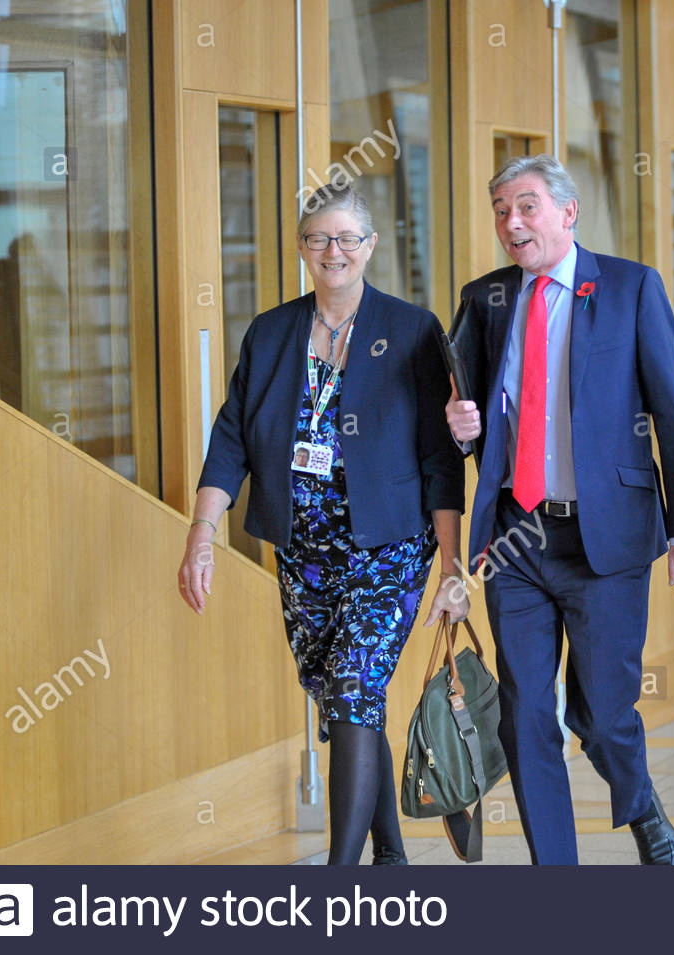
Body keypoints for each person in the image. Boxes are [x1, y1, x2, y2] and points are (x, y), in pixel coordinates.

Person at [176, 184, 468, 865]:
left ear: (369, 246)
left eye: (346, 239)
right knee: (345, 696)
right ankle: (391, 853)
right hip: (303, 552)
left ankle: (337, 878)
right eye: (318, 239)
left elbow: (439, 456)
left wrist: (451, 566)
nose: (332, 251)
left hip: (388, 544)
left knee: (353, 688)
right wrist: (202, 534)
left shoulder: (411, 329)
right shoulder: (274, 331)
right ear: (303, 248)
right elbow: (232, 437)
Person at [445, 154, 674, 865]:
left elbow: (671, 413)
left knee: (599, 715)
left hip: (607, 536)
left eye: (527, 205)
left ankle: (643, 807)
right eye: (501, 208)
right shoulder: (486, 298)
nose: (512, 222)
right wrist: (461, 427)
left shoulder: (629, 287)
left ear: (568, 213)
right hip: (516, 540)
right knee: (526, 712)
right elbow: (467, 411)